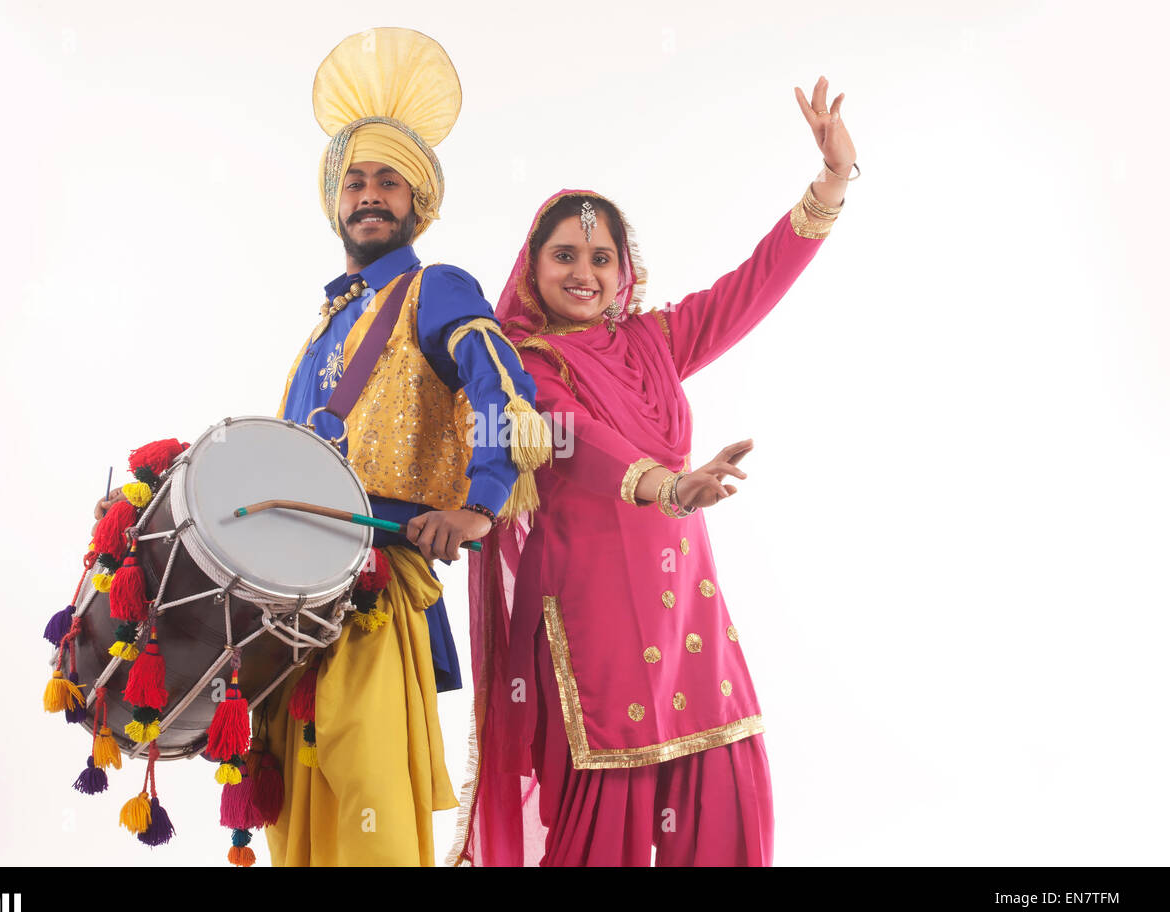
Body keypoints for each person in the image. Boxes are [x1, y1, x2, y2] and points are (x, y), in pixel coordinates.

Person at [95, 27, 545, 866]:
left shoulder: (434, 287)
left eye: (389, 181)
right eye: (355, 181)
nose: (370, 195)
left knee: (369, 786)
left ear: (419, 202)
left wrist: (480, 505)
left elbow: (501, 389)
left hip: (376, 580)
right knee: (297, 816)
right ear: (336, 202)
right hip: (290, 604)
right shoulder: (325, 327)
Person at [450, 77, 857, 866]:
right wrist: (668, 486)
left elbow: (752, 286)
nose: (585, 272)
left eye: (602, 258)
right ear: (531, 267)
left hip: (686, 614)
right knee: (611, 794)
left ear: (622, 269)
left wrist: (832, 180)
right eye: (564, 255)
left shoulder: (653, 341)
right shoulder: (518, 364)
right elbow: (569, 437)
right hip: (589, 615)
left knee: (727, 776)